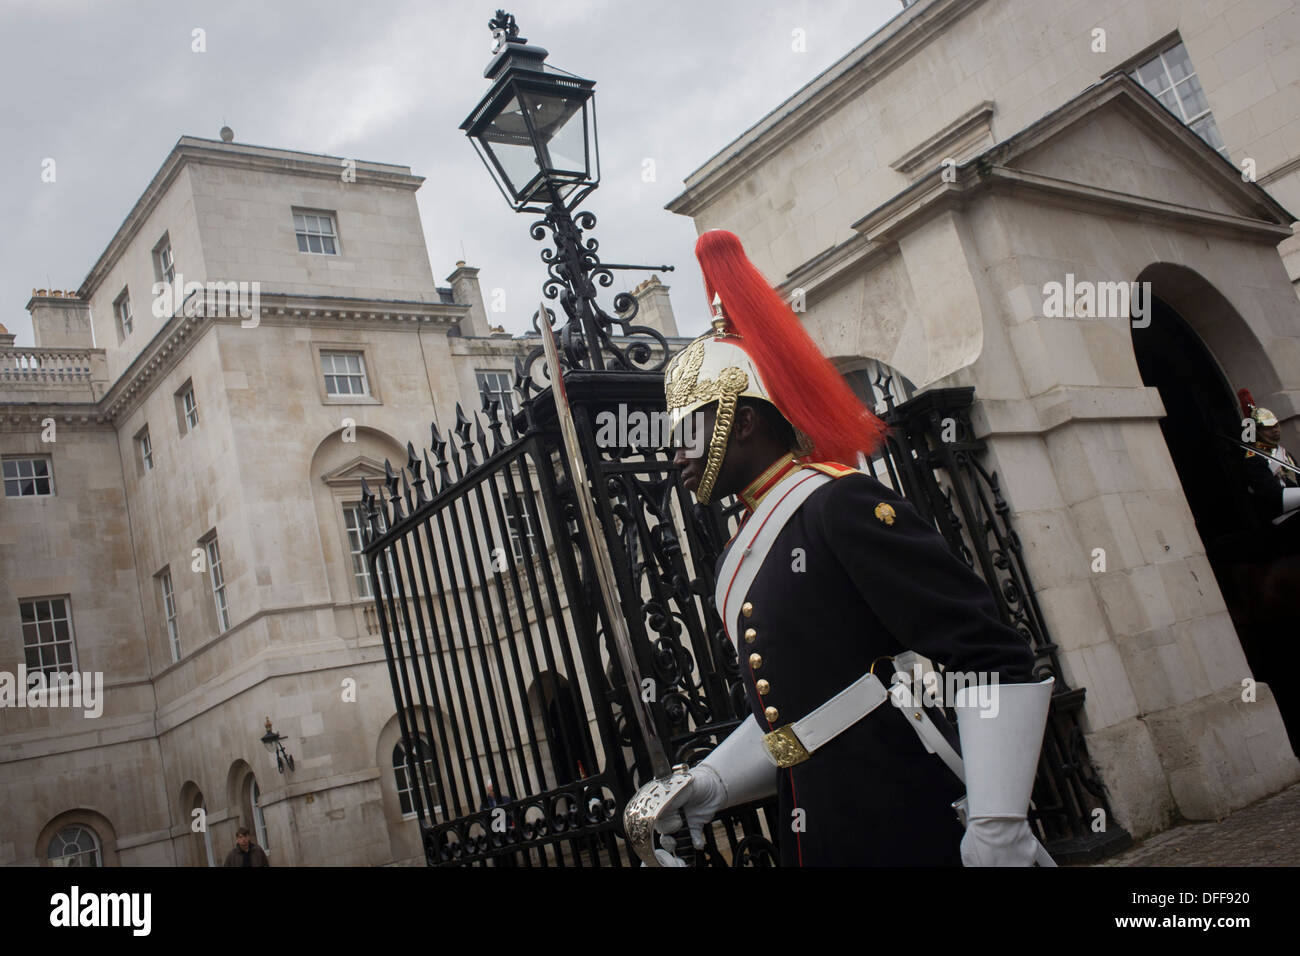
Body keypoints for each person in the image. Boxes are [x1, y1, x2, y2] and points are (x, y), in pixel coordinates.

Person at [627, 229, 1053, 867]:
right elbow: (801, 713)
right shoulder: (740, 551)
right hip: (821, 827)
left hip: (904, 812)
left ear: (741, 421)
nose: (676, 454)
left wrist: (997, 824)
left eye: (688, 431)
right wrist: (712, 780)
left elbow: (988, 653)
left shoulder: (839, 504)